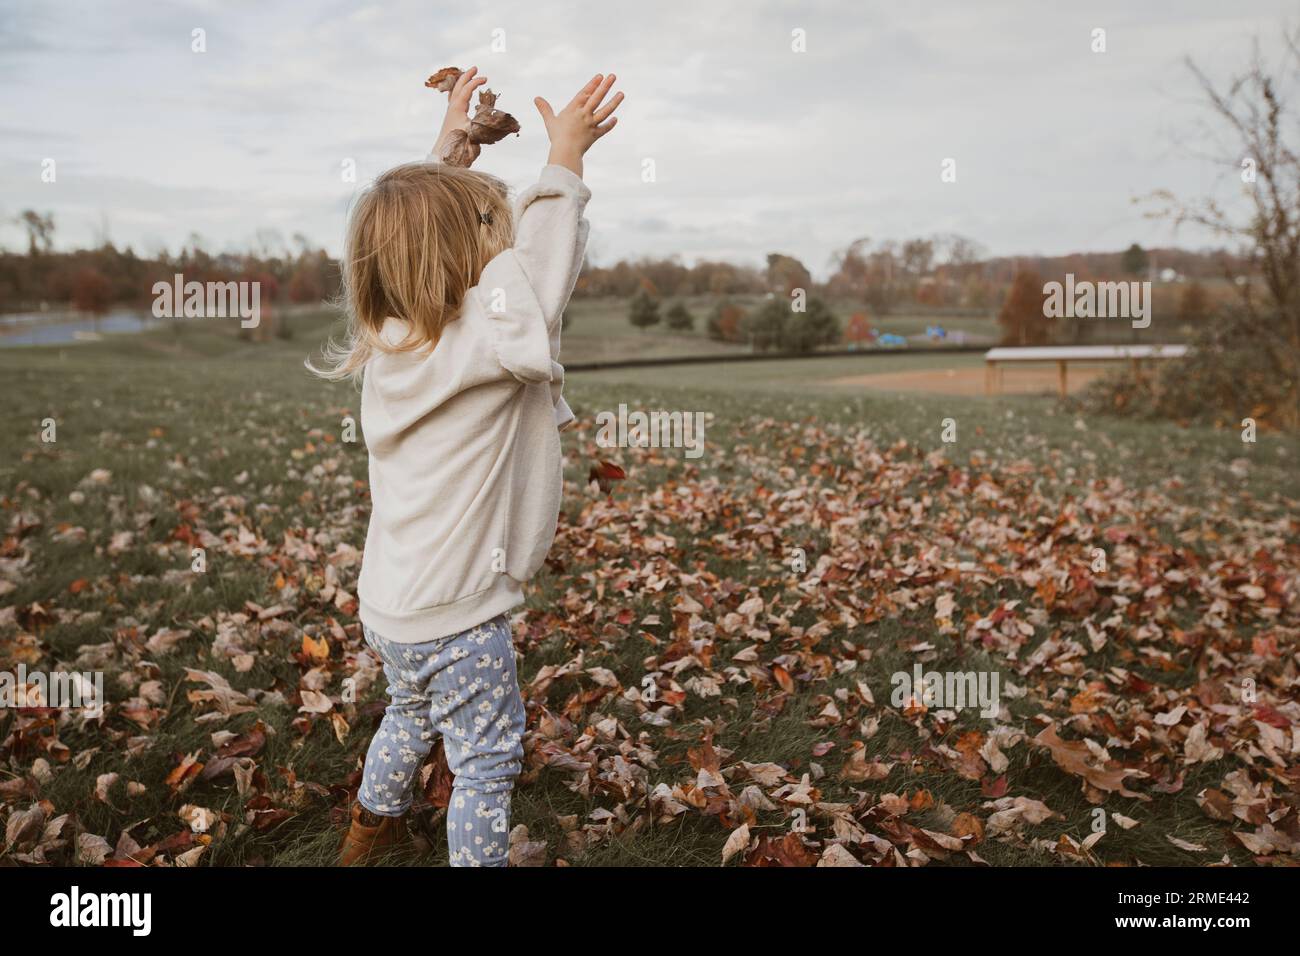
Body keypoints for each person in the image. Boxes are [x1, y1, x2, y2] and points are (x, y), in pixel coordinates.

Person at [311, 68, 623, 865]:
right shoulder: (487, 340)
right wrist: (564, 163)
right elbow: (543, 271)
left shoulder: (392, 336)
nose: (502, 240)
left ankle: (363, 834)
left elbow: (413, 236)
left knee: (409, 716)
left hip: (392, 608)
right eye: (489, 228)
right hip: (458, 619)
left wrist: (453, 145)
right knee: (485, 763)